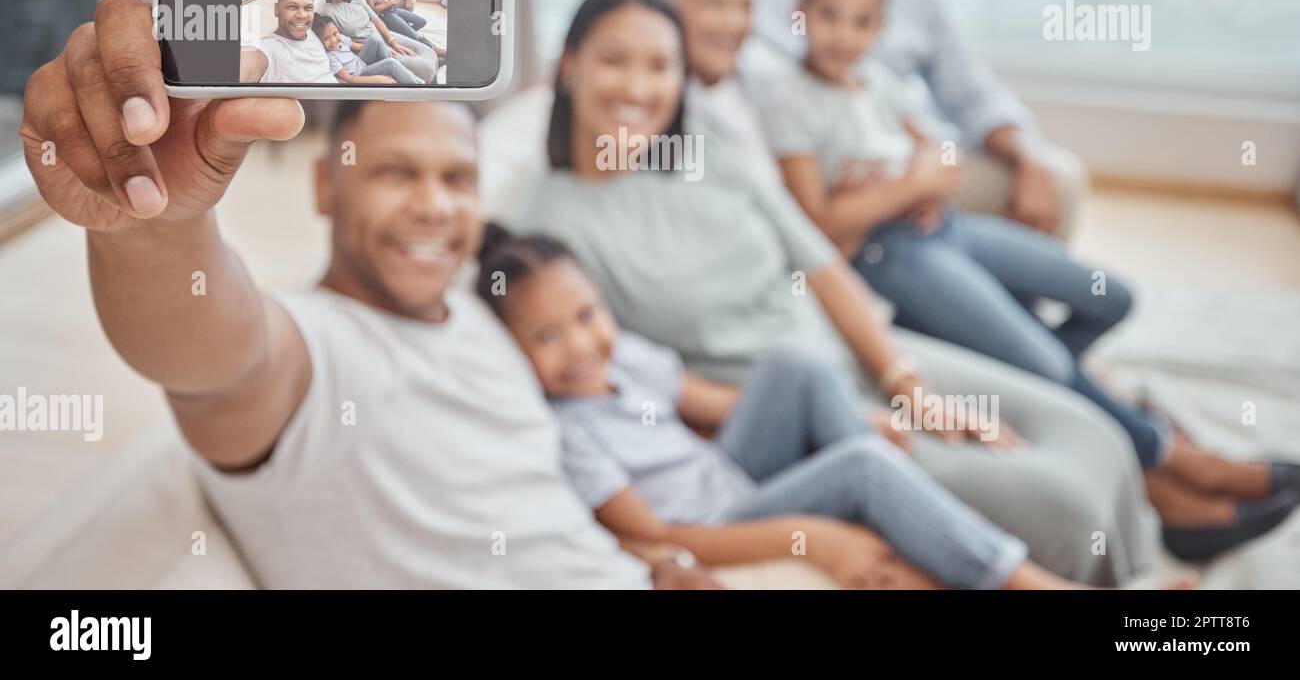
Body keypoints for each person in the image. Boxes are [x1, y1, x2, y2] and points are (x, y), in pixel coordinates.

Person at [17, 0, 717, 590]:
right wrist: (158, 222)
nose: (434, 205)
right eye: (395, 173)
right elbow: (210, 358)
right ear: (327, 184)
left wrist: (660, 567)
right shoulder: (316, 351)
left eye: (458, 179)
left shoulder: (484, 312)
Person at [509, 0, 1158, 585]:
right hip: (784, 429)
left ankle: (1165, 534)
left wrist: (906, 381)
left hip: (854, 354)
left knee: (1096, 436)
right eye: (614, 61)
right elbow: (618, 397)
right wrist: (851, 422)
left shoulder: (709, 150)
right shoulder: (550, 229)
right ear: (568, 66)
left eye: (661, 66)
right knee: (1065, 506)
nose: (639, 86)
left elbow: (819, 263)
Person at [763, 0, 1300, 559]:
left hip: (943, 229)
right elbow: (819, 224)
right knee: (1045, 364)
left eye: (861, 22)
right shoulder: (787, 98)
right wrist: (909, 184)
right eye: (828, 16)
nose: (842, 35)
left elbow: (947, 161)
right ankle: (1173, 465)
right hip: (889, 260)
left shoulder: (882, 85)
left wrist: (905, 183)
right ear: (801, 14)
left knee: (1112, 299)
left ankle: (1085, 407)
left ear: (879, 30)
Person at [476, 224, 1158, 589]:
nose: (580, 343)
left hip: (733, 470)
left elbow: (721, 403)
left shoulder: (624, 355)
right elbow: (665, 535)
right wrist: (813, 533)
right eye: (545, 335)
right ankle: (1031, 584)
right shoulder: (567, 432)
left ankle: (909, 498)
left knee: (793, 361)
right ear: (511, 353)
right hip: (720, 515)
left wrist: (864, 415)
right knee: (860, 466)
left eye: (587, 314)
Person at [752, 0, 1085, 238]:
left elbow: (972, 97)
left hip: (912, 167)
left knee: (1060, 179)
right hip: (818, 178)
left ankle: (1017, 294)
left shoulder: (915, 1)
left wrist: (1030, 161)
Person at [644, 0, 778, 184]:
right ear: (661, 4)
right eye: (714, 3)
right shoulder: (648, 107)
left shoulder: (757, 81)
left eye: (745, 5)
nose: (734, 23)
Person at [316, 0, 438, 83]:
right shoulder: (325, 11)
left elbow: (375, 18)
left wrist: (392, 42)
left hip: (379, 37)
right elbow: (331, 41)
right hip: (367, 51)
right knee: (426, 69)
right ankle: (419, 86)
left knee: (430, 53)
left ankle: (436, 73)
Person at [239, 0, 338, 85]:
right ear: (276, 9)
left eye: (308, 8)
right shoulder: (268, 49)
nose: (302, 15)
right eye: (292, 7)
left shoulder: (311, 31)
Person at [314, 14, 423, 85]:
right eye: (326, 38)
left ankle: (394, 70)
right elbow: (350, 79)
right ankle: (420, 86)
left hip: (360, 62)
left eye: (335, 33)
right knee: (391, 64)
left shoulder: (341, 38)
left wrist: (384, 49)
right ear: (319, 41)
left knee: (375, 40)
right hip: (359, 74)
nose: (333, 40)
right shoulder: (331, 57)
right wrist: (380, 79)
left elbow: (359, 46)